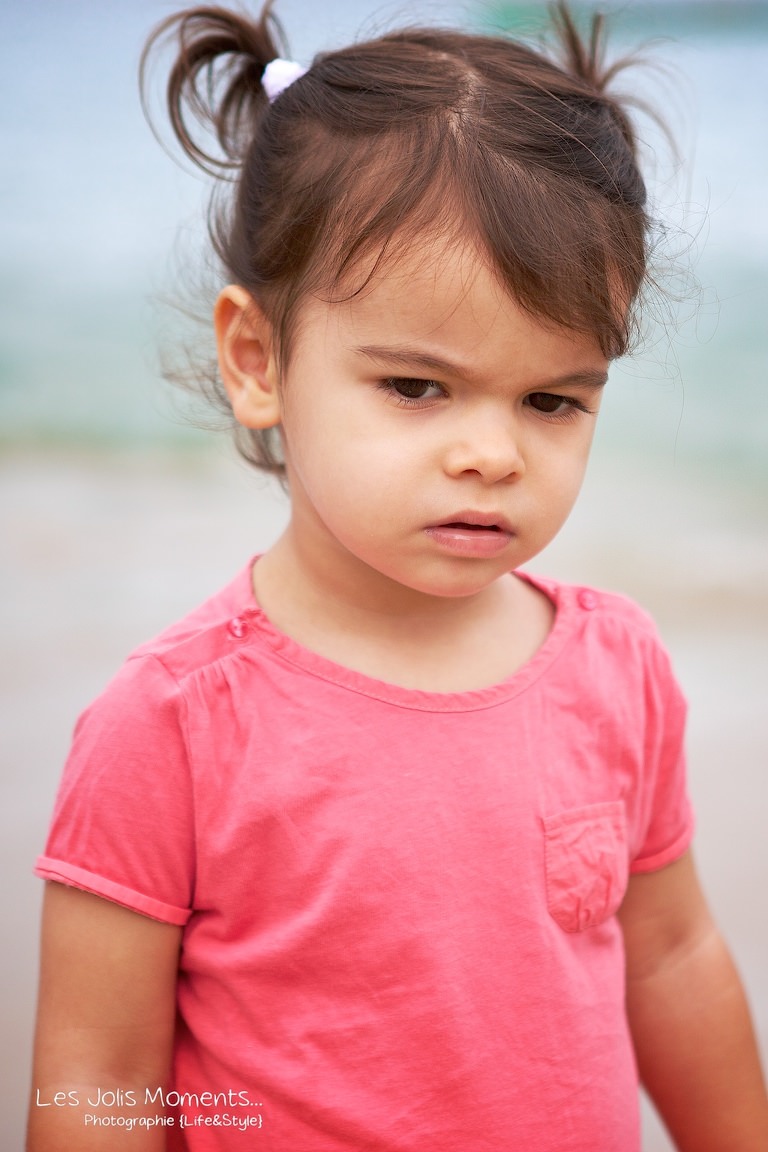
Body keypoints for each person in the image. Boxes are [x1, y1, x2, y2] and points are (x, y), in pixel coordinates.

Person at [26, 2, 768, 1150]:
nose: (494, 452)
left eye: (552, 399)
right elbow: (100, 1077)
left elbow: (669, 956)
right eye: (418, 388)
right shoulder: (171, 726)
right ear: (258, 360)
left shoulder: (615, 667)